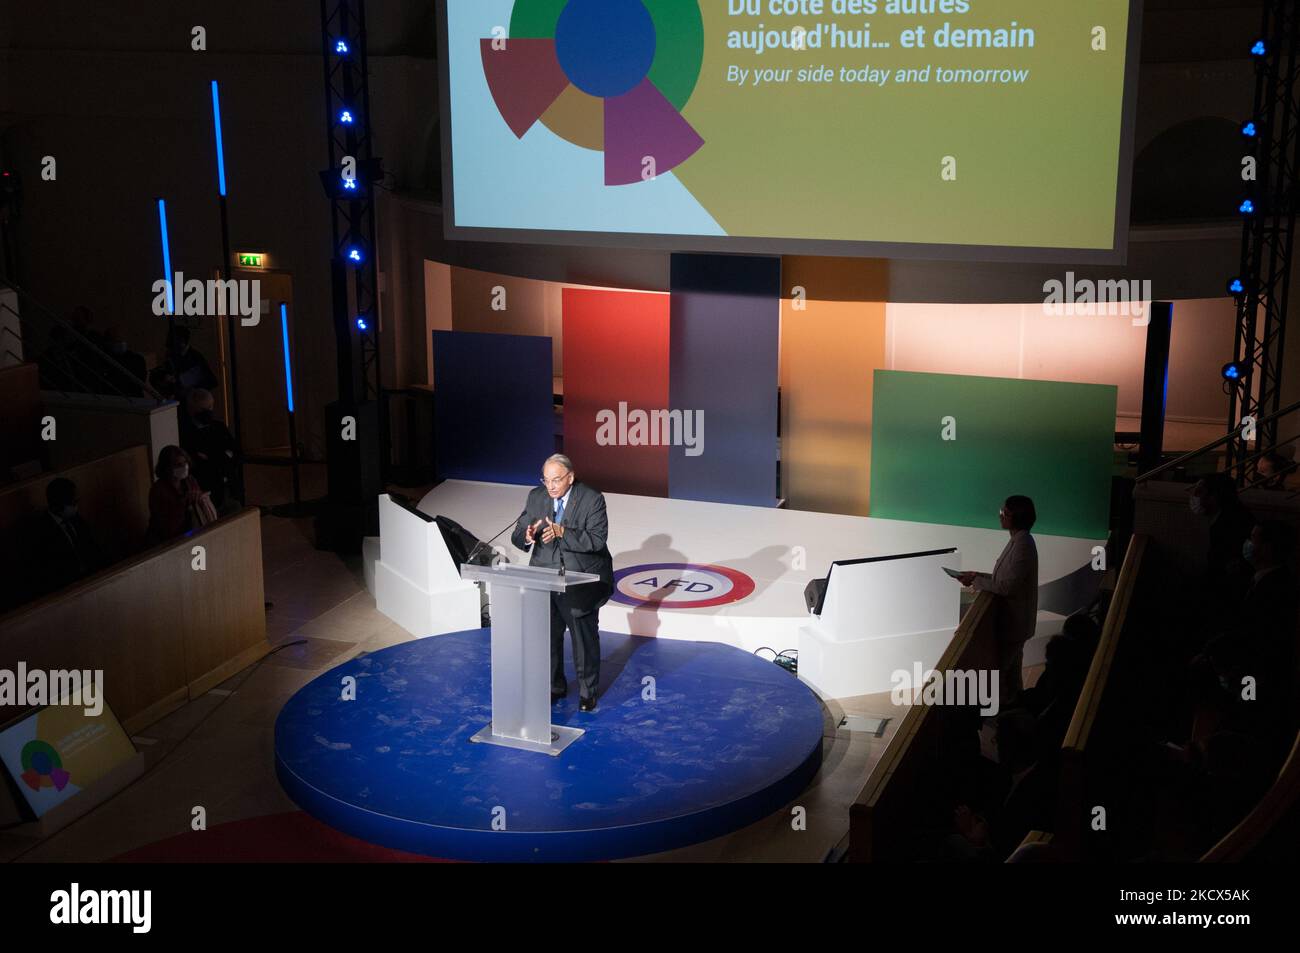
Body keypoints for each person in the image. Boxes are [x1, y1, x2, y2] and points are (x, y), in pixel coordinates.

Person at [510, 454, 614, 713]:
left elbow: (597, 540)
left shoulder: (592, 499)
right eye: (546, 480)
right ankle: (554, 686)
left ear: (570, 476)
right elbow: (516, 534)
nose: (551, 486)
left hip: (580, 580)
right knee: (547, 636)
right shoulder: (537, 496)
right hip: (545, 576)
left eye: (556, 480)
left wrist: (563, 532)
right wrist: (525, 535)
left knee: (583, 639)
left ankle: (587, 692)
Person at [958, 495, 1039, 704]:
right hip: (1013, 624)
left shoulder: (1022, 544)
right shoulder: (1018, 541)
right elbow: (1003, 579)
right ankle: (1009, 713)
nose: (1000, 516)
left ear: (1015, 517)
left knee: (1001, 677)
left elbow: (1007, 586)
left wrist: (976, 581)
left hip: (1014, 624)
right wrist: (977, 576)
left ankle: (1000, 719)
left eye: (1004, 513)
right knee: (1010, 678)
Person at [27, 477, 105, 597]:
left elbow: (93, 548)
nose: (76, 507)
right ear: (57, 505)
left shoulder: (77, 520)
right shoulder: (41, 532)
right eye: (73, 503)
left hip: (90, 581)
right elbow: (50, 573)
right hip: (67, 590)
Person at [179, 388, 240, 511]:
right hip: (206, 495)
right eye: (203, 409)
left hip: (229, 490)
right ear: (191, 410)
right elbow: (198, 465)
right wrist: (224, 456)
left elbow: (237, 453)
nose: (208, 412)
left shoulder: (219, 427)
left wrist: (211, 457)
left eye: (210, 407)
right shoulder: (185, 434)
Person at [147, 445, 214, 543]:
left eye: (185, 462)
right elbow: (166, 527)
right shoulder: (158, 490)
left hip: (190, 532)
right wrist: (183, 503)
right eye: (178, 464)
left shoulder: (189, 480)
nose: (184, 467)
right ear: (167, 467)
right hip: (166, 540)